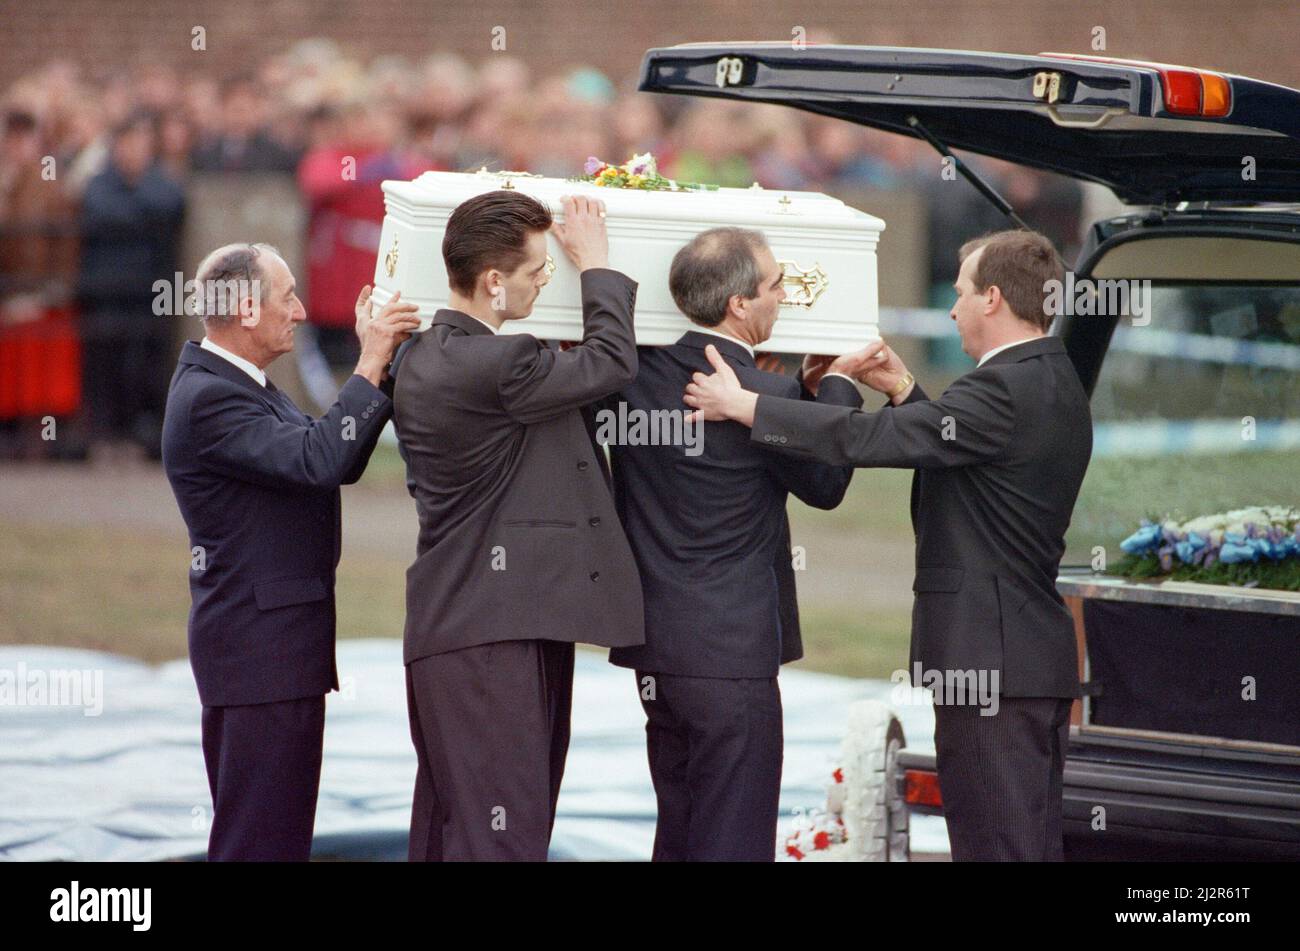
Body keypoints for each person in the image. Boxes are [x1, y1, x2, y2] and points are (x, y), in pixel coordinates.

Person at [684, 229, 1092, 861]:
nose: (951, 309)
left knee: (998, 845)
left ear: (991, 299)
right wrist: (904, 388)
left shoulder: (1000, 390)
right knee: (1019, 839)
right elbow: (959, 457)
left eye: (959, 295)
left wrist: (747, 408)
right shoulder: (1048, 376)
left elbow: (866, 441)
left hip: (994, 664)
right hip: (1021, 658)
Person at [393, 191, 645, 861]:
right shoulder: (501, 364)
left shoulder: (421, 355)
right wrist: (597, 265)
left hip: (474, 626)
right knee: (503, 841)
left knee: (454, 834)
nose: (546, 281)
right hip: (488, 635)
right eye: (539, 270)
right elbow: (611, 363)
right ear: (494, 281)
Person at [601, 227, 861, 861]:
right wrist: (836, 387)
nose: (784, 298)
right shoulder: (764, 398)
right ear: (739, 305)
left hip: (655, 646)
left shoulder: (630, 375)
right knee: (734, 836)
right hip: (730, 654)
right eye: (775, 286)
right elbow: (826, 484)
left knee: (680, 823)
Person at [161, 242, 419, 860]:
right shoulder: (211, 398)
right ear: (247, 309)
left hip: (273, 651)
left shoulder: (237, 384)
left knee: (277, 837)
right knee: (259, 841)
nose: (301, 311)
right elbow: (320, 458)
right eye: (288, 297)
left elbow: (335, 460)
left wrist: (377, 368)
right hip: (258, 656)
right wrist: (370, 358)